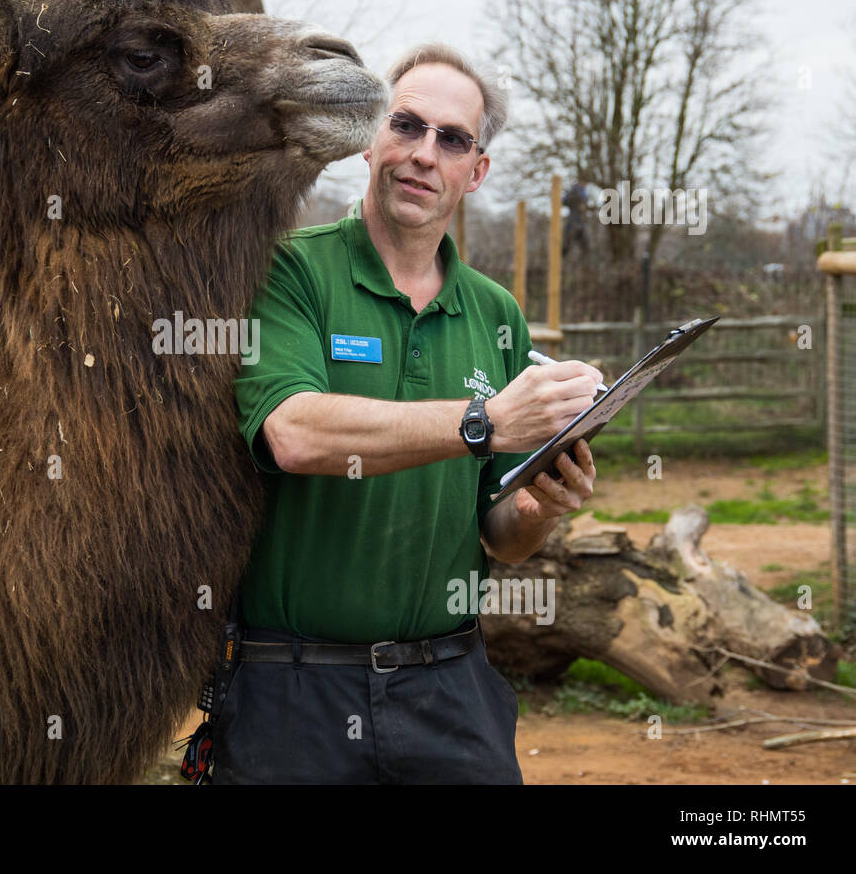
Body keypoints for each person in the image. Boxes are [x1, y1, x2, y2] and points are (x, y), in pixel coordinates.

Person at [215, 43, 602, 784]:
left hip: (449, 684)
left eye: (452, 139)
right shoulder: (289, 269)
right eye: (407, 125)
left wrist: (538, 506)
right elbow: (293, 431)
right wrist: (482, 422)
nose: (425, 153)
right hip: (294, 687)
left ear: (476, 171)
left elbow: (502, 538)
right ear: (370, 139)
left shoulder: (496, 313)